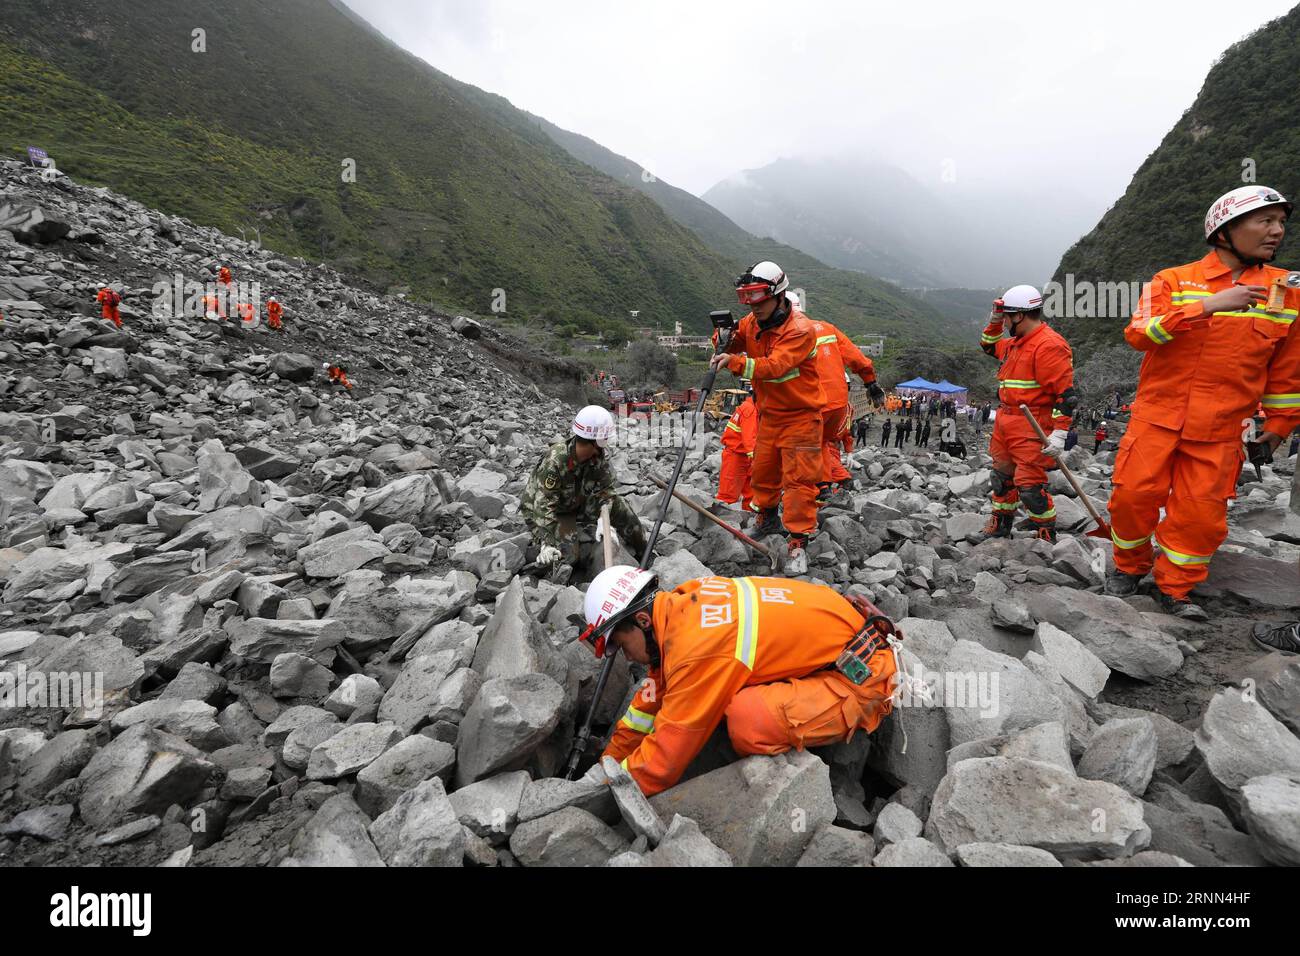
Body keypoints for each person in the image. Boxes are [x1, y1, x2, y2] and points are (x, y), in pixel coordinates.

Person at [1106, 186, 1300, 619]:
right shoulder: (1173, 280)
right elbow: (1140, 334)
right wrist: (1208, 306)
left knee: (1200, 516)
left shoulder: (1287, 291)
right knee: (1132, 497)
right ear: (1226, 229)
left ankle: (1174, 587)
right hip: (1158, 418)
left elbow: (1287, 372)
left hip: (1222, 428)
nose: (1277, 231)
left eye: (1281, 223)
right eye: (1265, 221)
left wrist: (1279, 427)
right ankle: (1127, 566)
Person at [583, 566, 901, 797]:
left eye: (622, 646)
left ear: (642, 620)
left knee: (747, 719)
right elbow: (649, 703)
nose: (626, 658)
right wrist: (605, 765)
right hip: (844, 636)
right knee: (721, 693)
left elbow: (663, 763)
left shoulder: (697, 651)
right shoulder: (684, 602)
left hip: (866, 674)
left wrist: (608, 790)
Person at [710, 262, 825, 575]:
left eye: (759, 299)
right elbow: (736, 340)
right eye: (748, 299)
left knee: (799, 481)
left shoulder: (799, 331)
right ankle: (768, 518)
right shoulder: (752, 321)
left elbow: (774, 367)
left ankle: (799, 541)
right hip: (770, 415)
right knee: (762, 472)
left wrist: (734, 363)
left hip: (801, 417)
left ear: (778, 294)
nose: (753, 306)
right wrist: (722, 337)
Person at [978, 284, 1077, 543]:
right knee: (1001, 478)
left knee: (1030, 486)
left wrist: (1060, 432)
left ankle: (1046, 532)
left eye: (1008, 316)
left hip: (1032, 423)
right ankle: (1000, 525)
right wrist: (995, 321)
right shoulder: (1015, 344)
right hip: (1005, 421)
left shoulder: (1049, 345)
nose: (1006, 321)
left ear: (1020, 316)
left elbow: (1066, 395)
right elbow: (988, 346)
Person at [521, 405, 648, 584]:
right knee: (566, 556)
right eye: (603, 439)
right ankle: (538, 571)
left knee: (621, 506)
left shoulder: (597, 456)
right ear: (592, 440)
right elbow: (542, 505)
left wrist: (605, 521)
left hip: (578, 501)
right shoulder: (556, 460)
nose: (604, 444)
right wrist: (546, 542)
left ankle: (646, 554)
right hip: (553, 511)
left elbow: (606, 491)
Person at [811, 318, 885, 501]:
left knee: (806, 454)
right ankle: (824, 488)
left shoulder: (775, 333)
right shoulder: (827, 328)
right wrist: (870, 382)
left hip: (810, 406)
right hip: (832, 413)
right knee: (818, 450)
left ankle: (822, 490)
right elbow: (857, 358)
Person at [714, 389, 757, 516]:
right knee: (728, 494)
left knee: (750, 492)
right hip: (737, 456)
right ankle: (719, 525)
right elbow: (750, 438)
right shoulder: (751, 410)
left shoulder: (747, 406)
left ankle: (747, 519)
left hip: (741, 455)